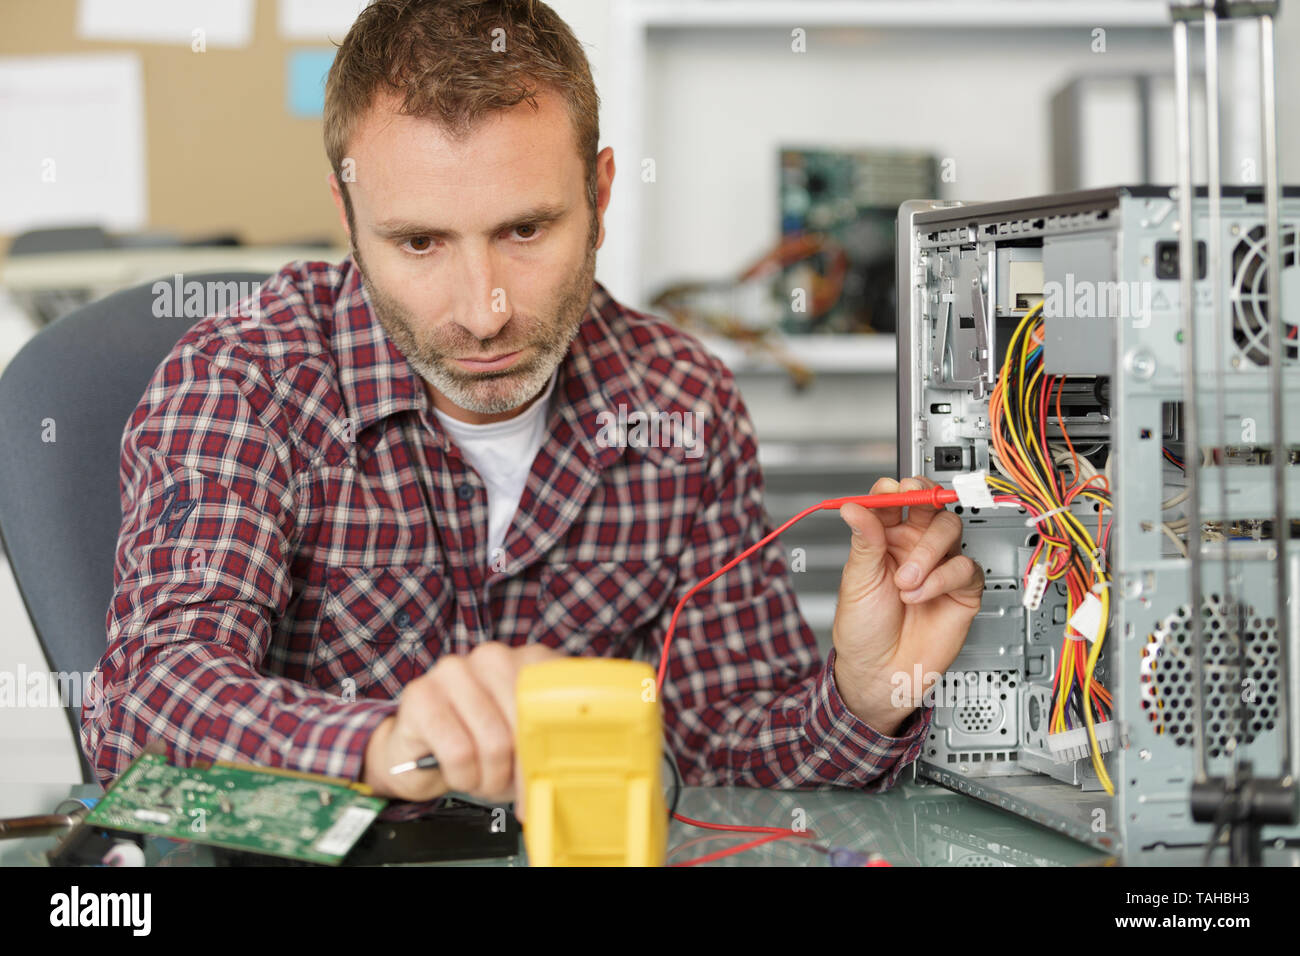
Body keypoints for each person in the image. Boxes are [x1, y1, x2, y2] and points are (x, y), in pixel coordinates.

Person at [82, 0, 984, 809]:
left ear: (599, 193)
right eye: (420, 241)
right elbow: (143, 706)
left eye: (525, 230)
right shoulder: (244, 381)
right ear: (346, 210)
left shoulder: (682, 401)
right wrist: (381, 746)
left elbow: (718, 737)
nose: (484, 312)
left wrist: (867, 697)